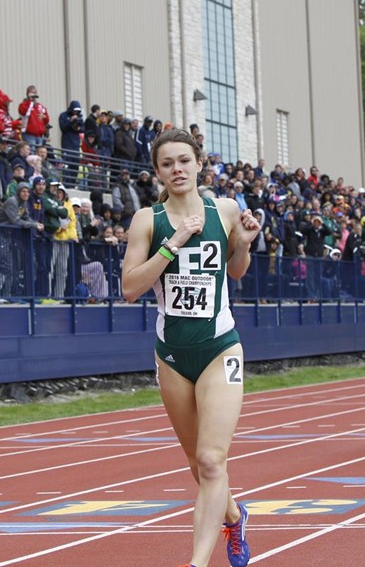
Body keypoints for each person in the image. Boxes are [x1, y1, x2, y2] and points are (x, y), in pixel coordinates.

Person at [121, 128, 258, 567]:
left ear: (200, 163)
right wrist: (173, 243)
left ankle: (197, 563)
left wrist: (246, 244)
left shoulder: (226, 210)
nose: (177, 170)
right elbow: (128, 288)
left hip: (220, 347)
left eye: (184, 161)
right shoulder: (148, 219)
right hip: (173, 356)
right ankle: (234, 517)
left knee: (212, 460)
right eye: (167, 164)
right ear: (157, 172)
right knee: (201, 469)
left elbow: (236, 272)